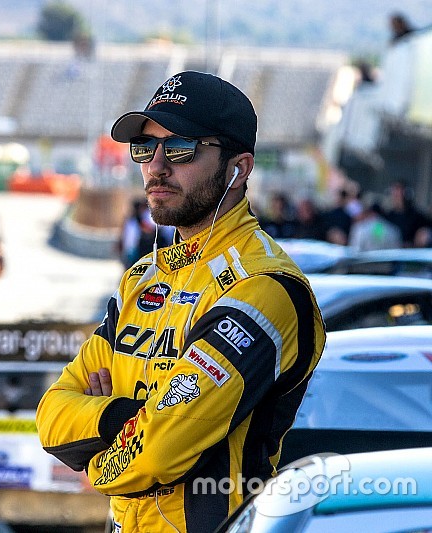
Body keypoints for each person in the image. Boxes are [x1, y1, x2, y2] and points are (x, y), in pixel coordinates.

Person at [36, 71, 326, 533]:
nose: (156, 166)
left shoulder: (264, 287)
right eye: (144, 148)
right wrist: (123, 419)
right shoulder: (142, 278)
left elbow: (158, 453)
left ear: (240, 167)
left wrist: (99, 461)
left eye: (180, 148)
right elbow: (51, 416)